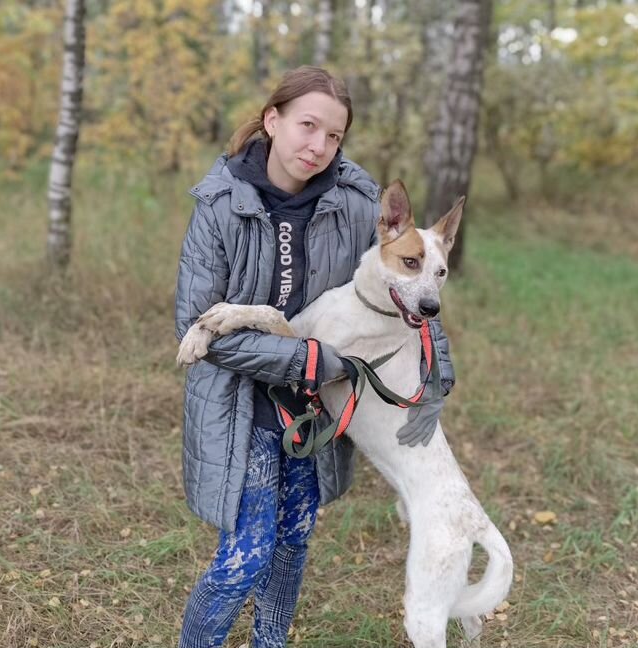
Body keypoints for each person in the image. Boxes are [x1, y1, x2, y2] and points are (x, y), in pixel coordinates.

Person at [173, 66, 455, 648]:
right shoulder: (220, 205)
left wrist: (438, 377)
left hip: (321, 408)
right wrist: (308, 362)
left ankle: (269, 642)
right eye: (307, 126)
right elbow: (198, 327)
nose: (318, 146)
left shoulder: (357, 201)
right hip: (242, 398)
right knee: (246, 555)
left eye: (334, 136)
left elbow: (408, 290)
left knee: (294, 537)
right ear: (272, 120)